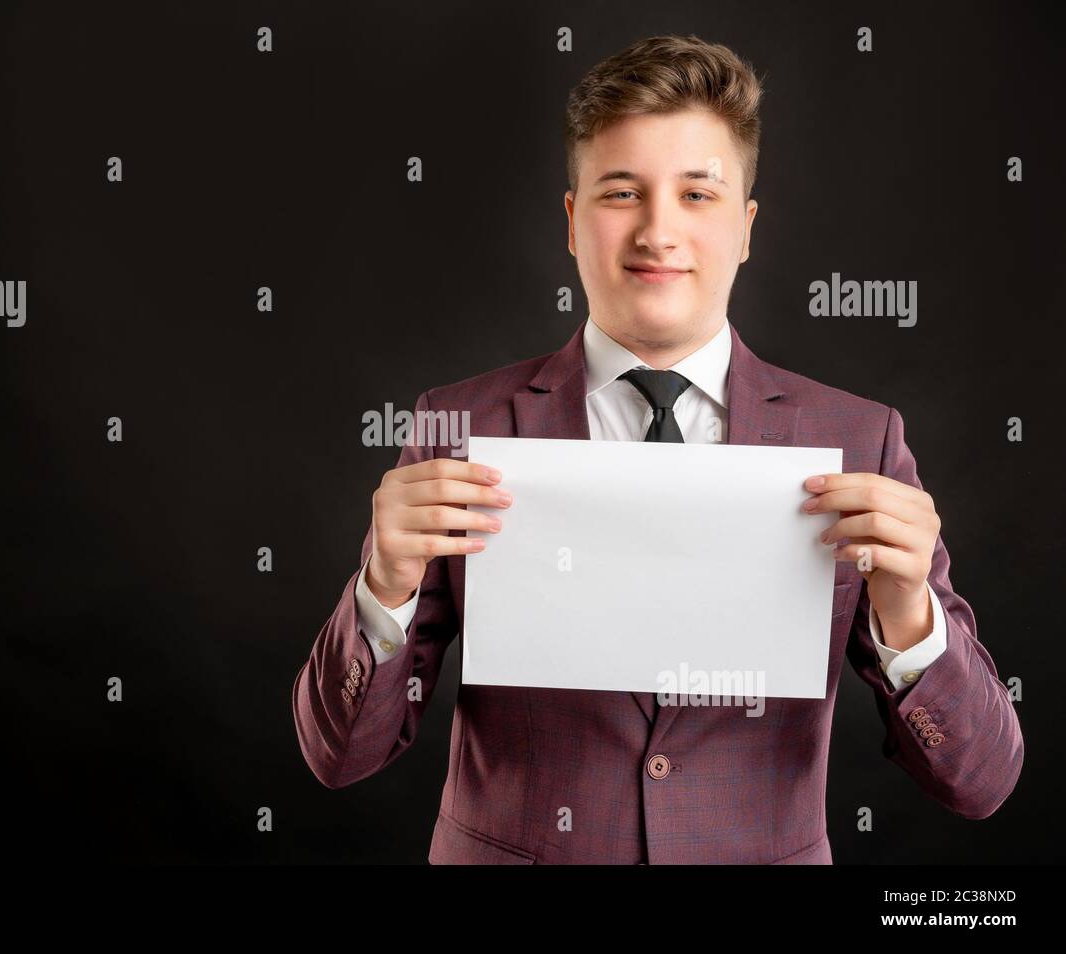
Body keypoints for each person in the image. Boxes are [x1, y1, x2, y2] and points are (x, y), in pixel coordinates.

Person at [291, 34, 1023, 864]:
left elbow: (983, 781)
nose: (657, 230)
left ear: (747, 228)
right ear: (572, 222)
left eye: (697, 195)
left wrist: (909, 619)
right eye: (621, 191)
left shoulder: (860, 442)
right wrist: (381, 589)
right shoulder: (454, 426)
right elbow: (339, 757)